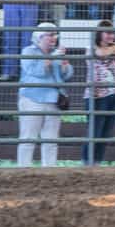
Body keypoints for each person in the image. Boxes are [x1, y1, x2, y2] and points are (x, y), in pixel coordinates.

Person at [17, 23, 73, 167]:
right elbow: (36, 72)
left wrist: (65, 66)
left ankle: (50, 169)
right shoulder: (28, 52)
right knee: (28, 137)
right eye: (50, 34)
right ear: (39, 37)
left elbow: (66, 76)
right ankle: (23, 169)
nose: (54, 38)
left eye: (55, 35)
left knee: (51, 139)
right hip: (32, 99)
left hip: (54, 100)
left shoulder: (56, 53)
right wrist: (53, 58)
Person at [82, 20, 115, 166]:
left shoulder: (114, 47)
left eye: (112, 33)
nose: (110, 36)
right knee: (95, 132)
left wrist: (114, 49)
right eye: (107, 33)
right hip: (97, 95)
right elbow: (101, 53)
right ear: (99, 34)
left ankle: (97, 163)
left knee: (106, 133)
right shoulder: (91, 47)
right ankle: (87, 162)